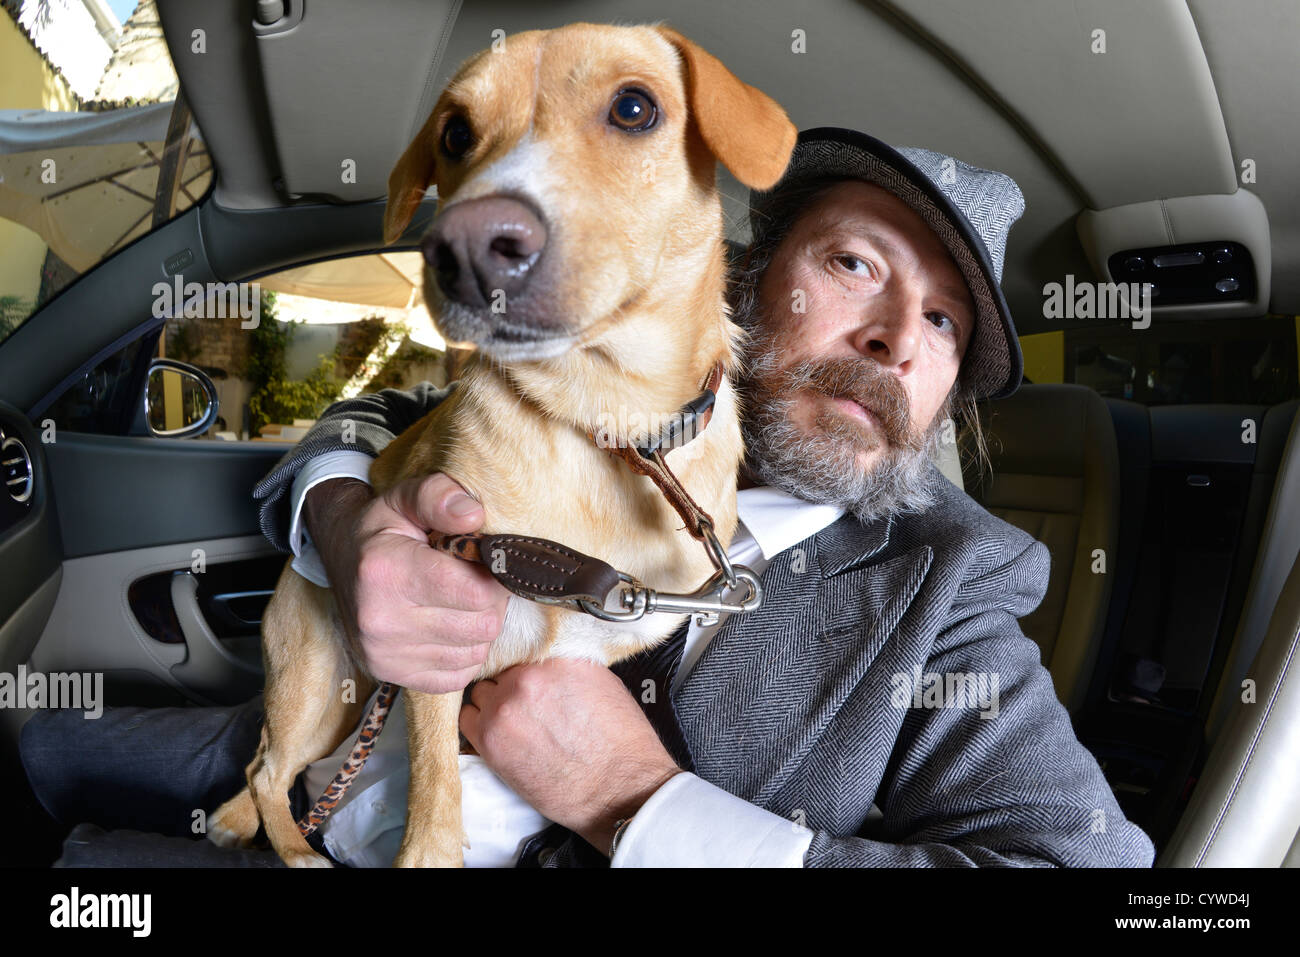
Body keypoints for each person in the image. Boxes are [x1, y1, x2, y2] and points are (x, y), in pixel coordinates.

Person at [23, 127, 1155, 867]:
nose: (897, 340)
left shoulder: (951, 587)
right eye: (857, 265)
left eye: (946, 321)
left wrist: (635, 798)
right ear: (748, 286)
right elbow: (382, 422)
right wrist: (344, 519)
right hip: (302, 760)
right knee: (30, 749)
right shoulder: (594, 390)